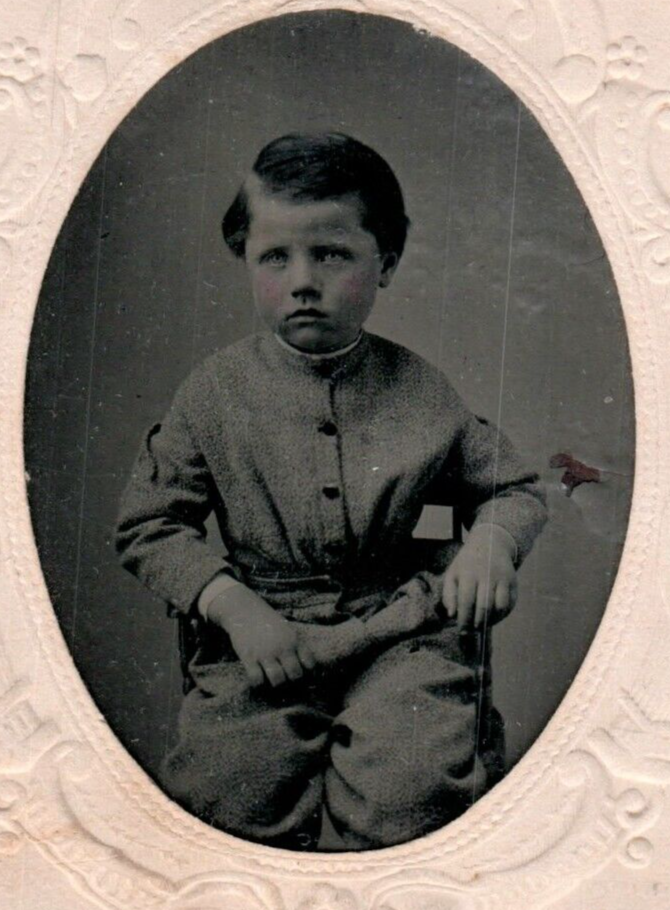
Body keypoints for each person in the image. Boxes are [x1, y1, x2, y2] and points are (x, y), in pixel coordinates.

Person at [115, 132, 547, 852]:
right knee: (226, 795)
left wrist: (492, 544)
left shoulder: (421, 388)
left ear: (387, 264)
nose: (302, 281)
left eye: (332, 255)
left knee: (414, 792)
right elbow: (149, 524)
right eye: (275, 257)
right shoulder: (213, 393)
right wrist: (234, 607)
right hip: (262, 642)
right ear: (246, 259)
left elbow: (514, 487)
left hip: (401, 637)